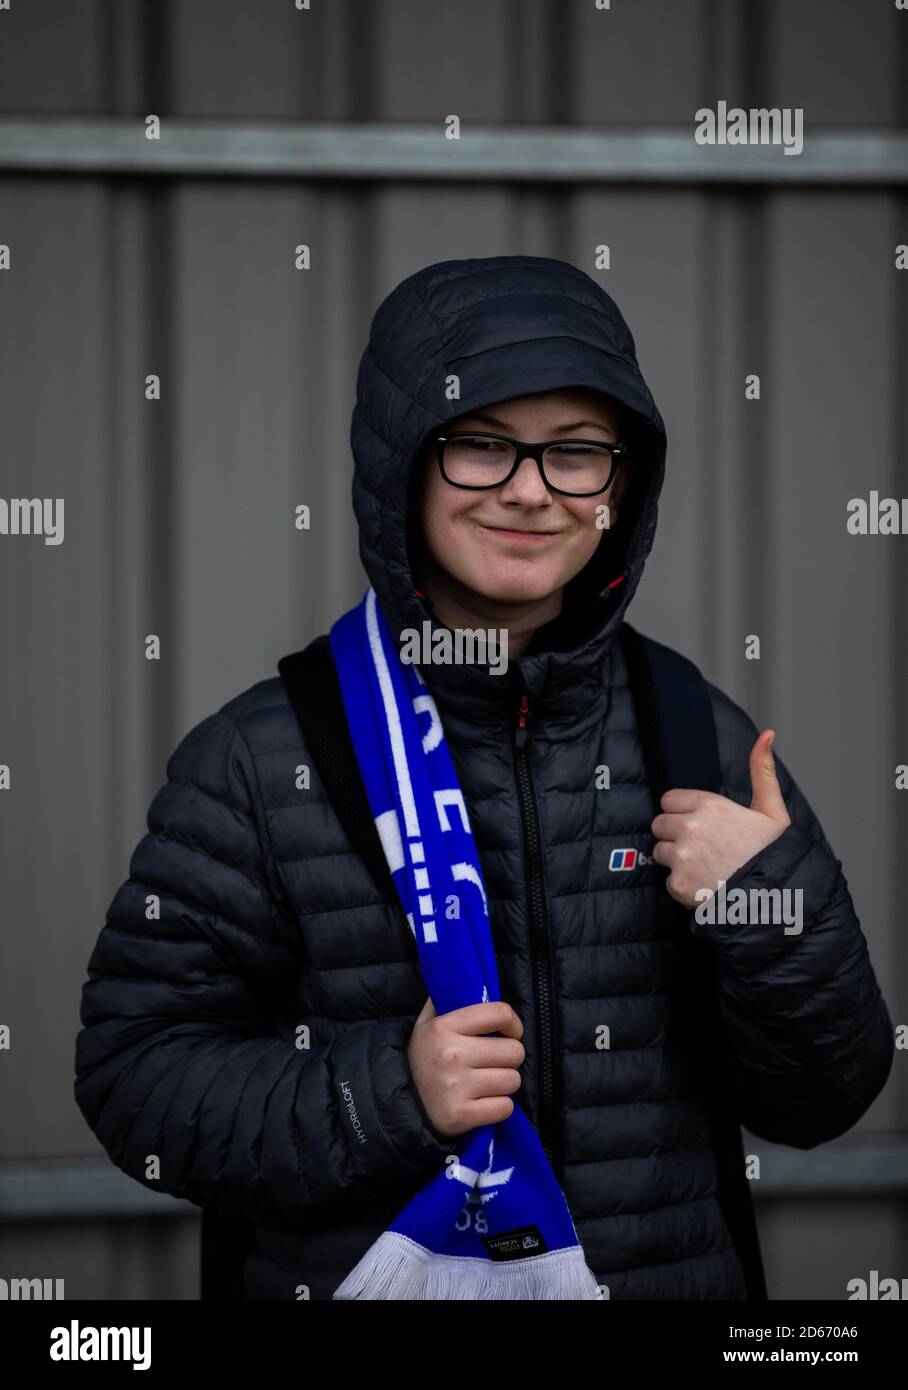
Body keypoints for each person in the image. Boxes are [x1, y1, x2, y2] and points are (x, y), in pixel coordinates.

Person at [74, 255, 894, 1300]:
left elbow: (822, 1100)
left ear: (622, 483)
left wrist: (771, 911)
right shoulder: (262, 755)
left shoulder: (693, 731)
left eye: (575, 453)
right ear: (402, 468)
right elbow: (134, 1084)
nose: (528, 490)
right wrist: (384, 1093)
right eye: (480, 445)